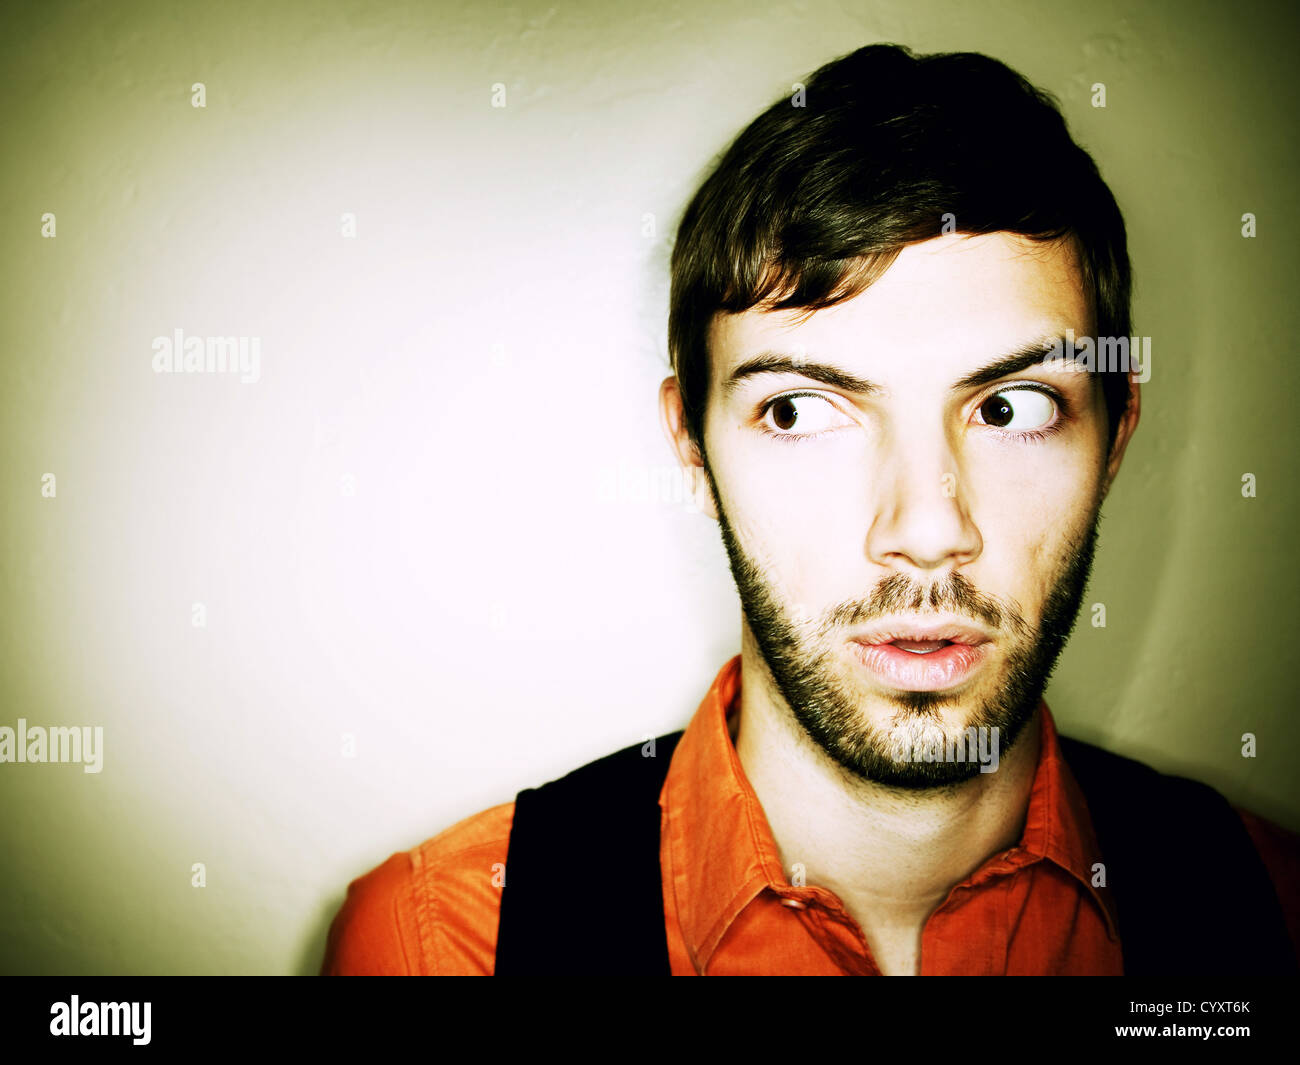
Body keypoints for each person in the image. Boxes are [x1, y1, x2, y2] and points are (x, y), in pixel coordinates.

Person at [320, 42, 1299, 976]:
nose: (923, 531)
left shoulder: (1272, 909)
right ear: (691, 448)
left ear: (1114, 435)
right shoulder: (441, 945)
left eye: (1010, 408)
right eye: (800, 411)